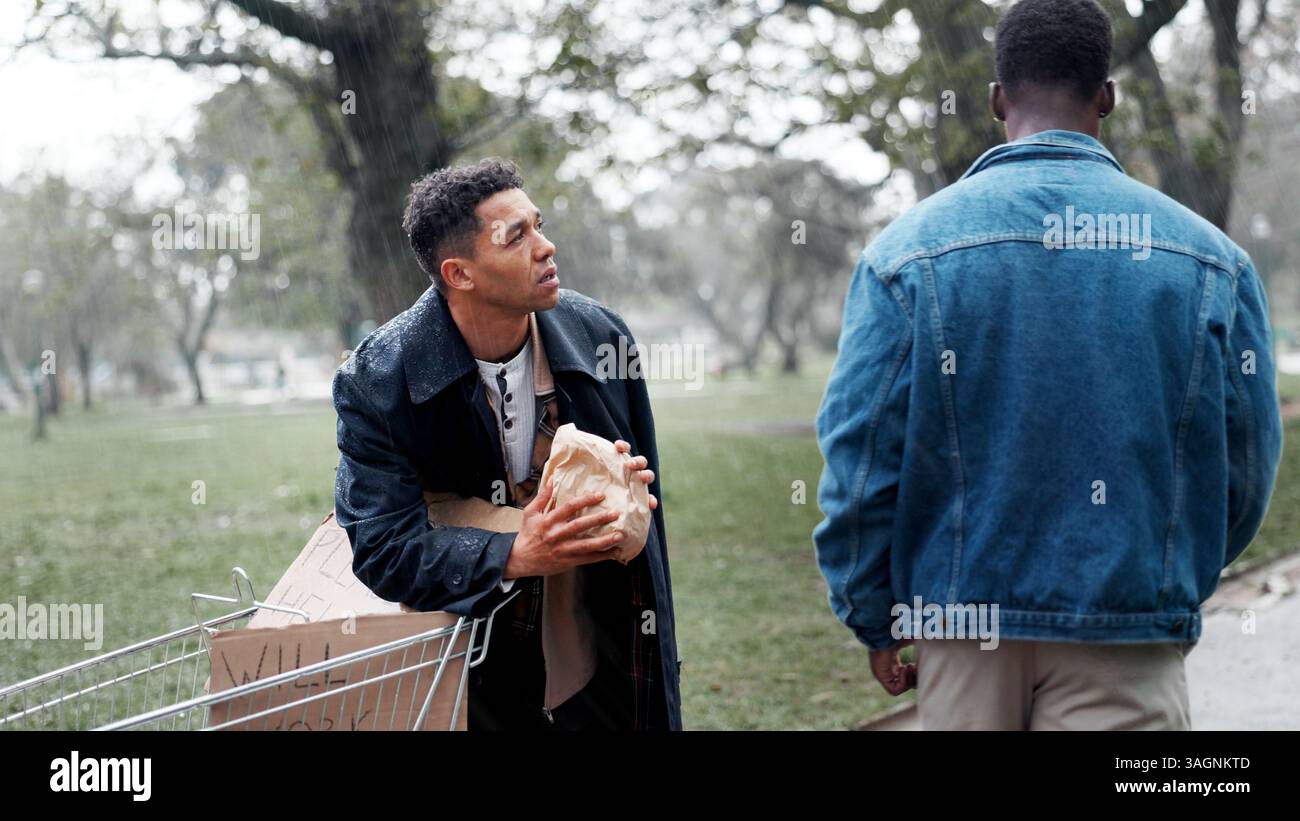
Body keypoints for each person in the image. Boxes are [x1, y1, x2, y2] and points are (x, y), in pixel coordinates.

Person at [813, 0, 1282, 730]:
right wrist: (1162, 575)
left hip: (961, 631)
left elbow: (861, 457)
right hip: (1126, 631)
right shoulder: (1213, 261)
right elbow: (1246, 469)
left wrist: (871, 612)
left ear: (997, 99)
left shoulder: (903, 256)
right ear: (1108, 97)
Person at [332, 158, 681, 730]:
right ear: (460, 273)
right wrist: (517, 553)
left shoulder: (602, 336)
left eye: (538, 226)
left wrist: (626, 492)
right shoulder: (376, 379)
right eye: (516, 237)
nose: (546, 247)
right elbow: (382, 548)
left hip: (594, 657)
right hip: (465, 666)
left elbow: (651, 536)